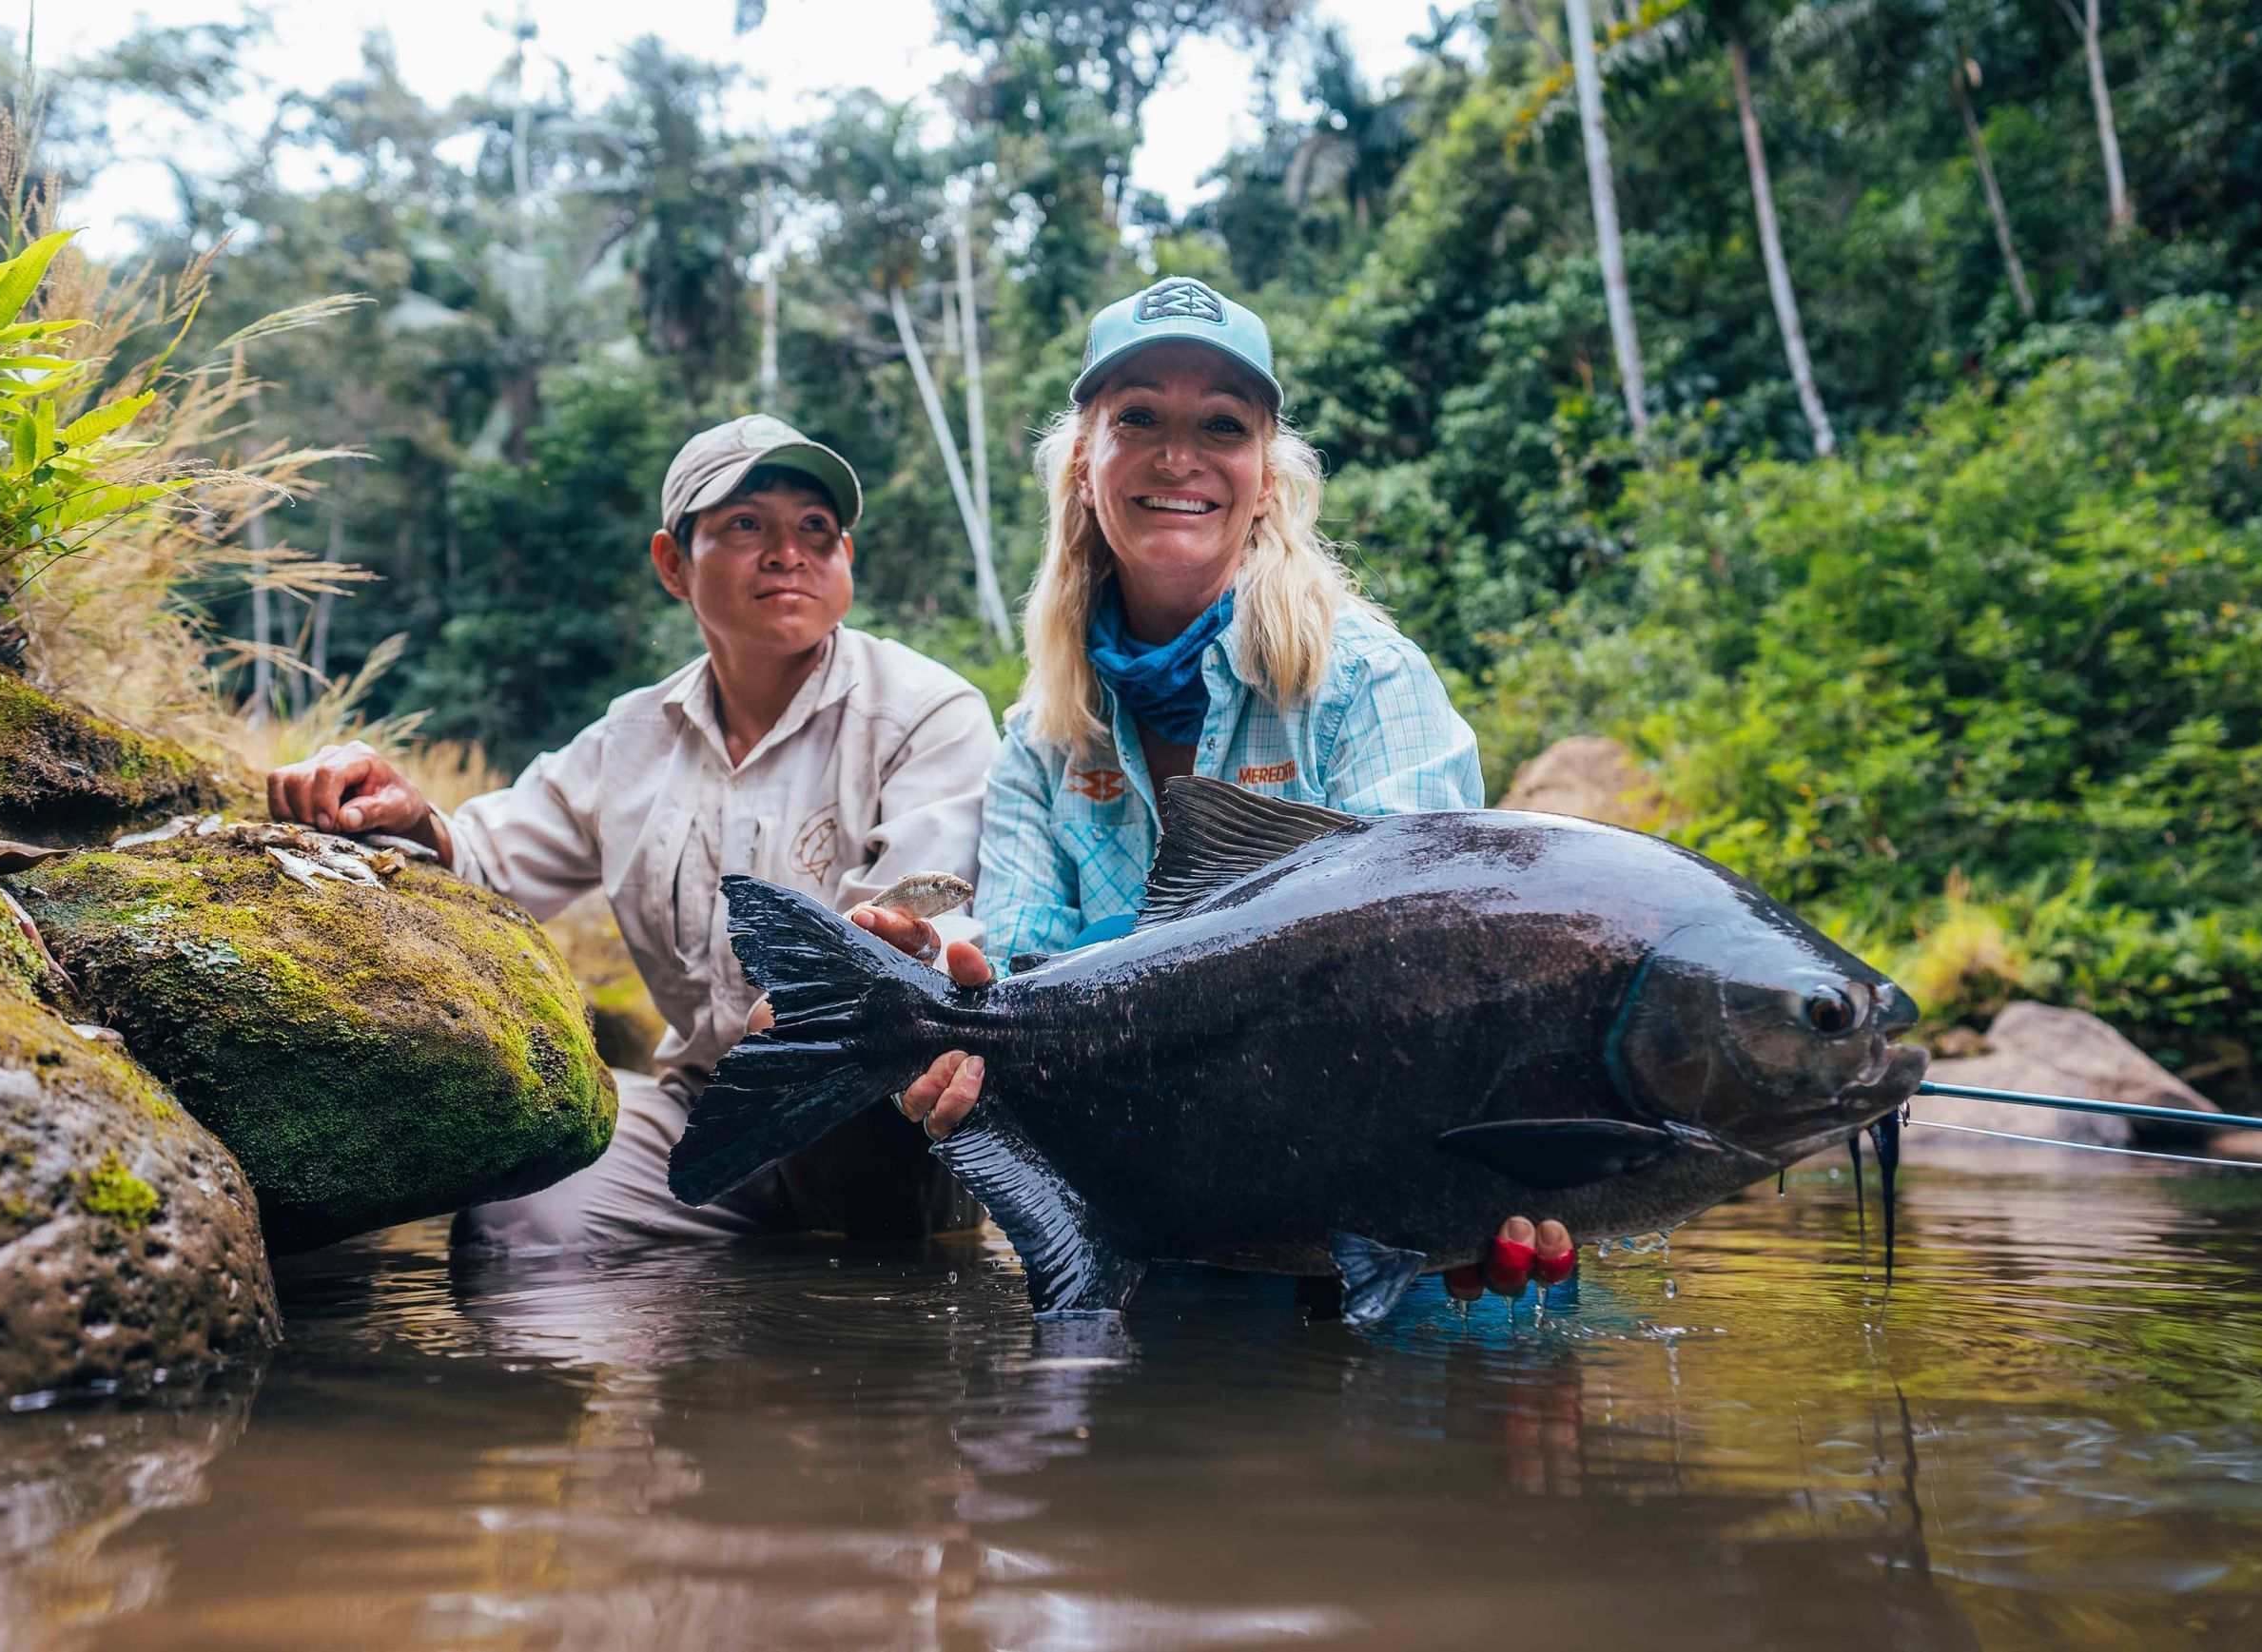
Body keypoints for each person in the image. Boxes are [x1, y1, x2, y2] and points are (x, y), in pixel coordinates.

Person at [842, 276, 1575, 1300]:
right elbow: (1011, 986)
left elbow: (1434, 974)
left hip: (1400, 1243)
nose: (1178, 456)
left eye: (1220, 426)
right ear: (1083, 470)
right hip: (1164, 1252)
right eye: (1135, 417)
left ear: (1266, 480)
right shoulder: (1037, 744)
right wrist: (937, 1004)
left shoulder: (1368, 681)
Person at [266, 415, 998, 1251]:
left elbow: (932, 952)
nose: (788, 552)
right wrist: (400, 810)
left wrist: (862, 977)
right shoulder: (630, 738)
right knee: (516, 1226)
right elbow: (480, 863)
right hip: (705, 1103)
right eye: (746, 524)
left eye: (816, 530)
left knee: (826, 1061)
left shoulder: (925, 713)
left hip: (889, 1113)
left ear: (846, 565)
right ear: (672, 564)